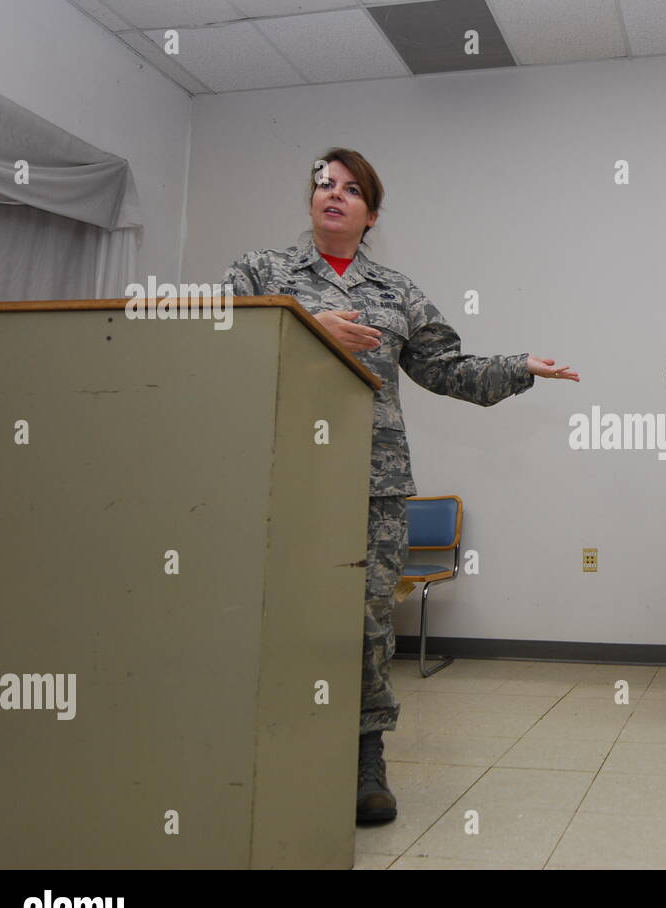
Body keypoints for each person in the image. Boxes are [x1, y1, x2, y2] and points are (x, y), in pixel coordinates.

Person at [224, 148, 579, 823]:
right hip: (281, 477)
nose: (334, 195)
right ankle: (274, 750)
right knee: (276, 615)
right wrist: (302, 325)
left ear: (371, 212)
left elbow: (445, 367)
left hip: (371, 481)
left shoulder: (396, 291)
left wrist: (519, 366)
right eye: (323, 184)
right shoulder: (260, 272)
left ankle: (365, 762)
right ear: (310, 202)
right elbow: (223, 337)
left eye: (350, 189)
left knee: (365, 622)